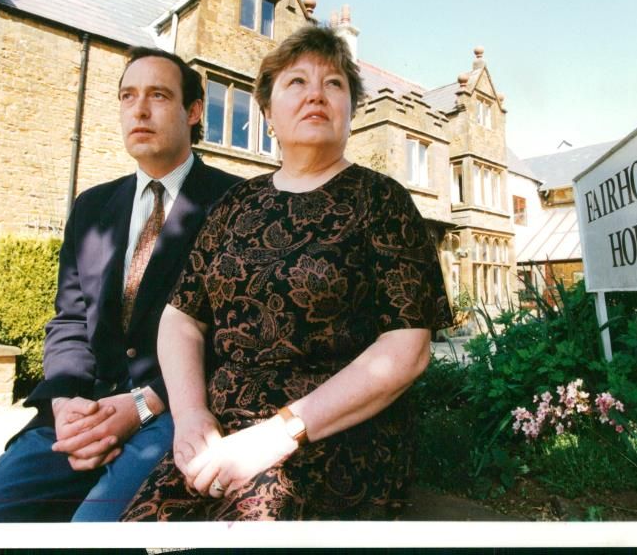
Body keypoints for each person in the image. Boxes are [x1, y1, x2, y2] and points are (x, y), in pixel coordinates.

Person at [121, 26, 453, 521]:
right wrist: (190, 416)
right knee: (138, 536)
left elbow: (406, 351)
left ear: (349, 111)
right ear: (268, 112)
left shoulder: (381, 201)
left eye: (333, 83)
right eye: (297, 82)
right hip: (221, 432)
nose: (316, 93)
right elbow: (182, 318)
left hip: (331, 437)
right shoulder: (234, 205)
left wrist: (279, 435)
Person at [0, 47, 240, 522]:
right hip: (81, 414)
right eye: (128, 96)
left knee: (91, 531)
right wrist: (64, 403)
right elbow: (69, 320)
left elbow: (237, 338)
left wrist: (142, 405)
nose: (139, 110)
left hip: (170, 416)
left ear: (194, 111)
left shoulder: (236, 203)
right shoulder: (92, 207)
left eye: (158, 96)